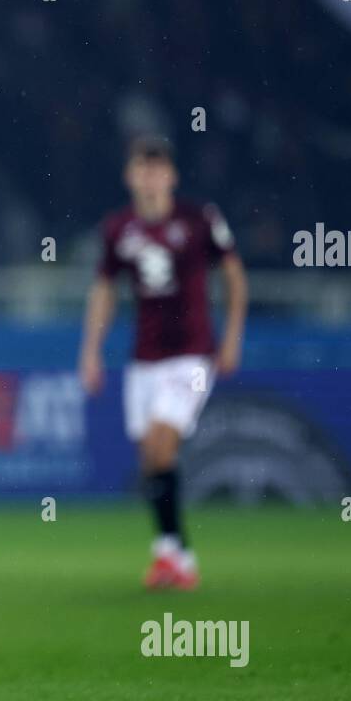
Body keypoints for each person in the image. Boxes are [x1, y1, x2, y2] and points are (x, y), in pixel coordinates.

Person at [79, 136, 248, 590]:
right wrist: (91, 350)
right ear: (130, 176)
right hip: (143, 359)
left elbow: (234, 276)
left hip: (192, 355)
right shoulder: (119, 230)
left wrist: (231, 338)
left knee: (159, 443)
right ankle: (173, 553)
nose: (151, 178)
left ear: (171, 176)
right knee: (149, 456)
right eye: (142, 169)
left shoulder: (199, 220)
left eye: (158, 169)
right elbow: (104, 290)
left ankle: (175, 556)